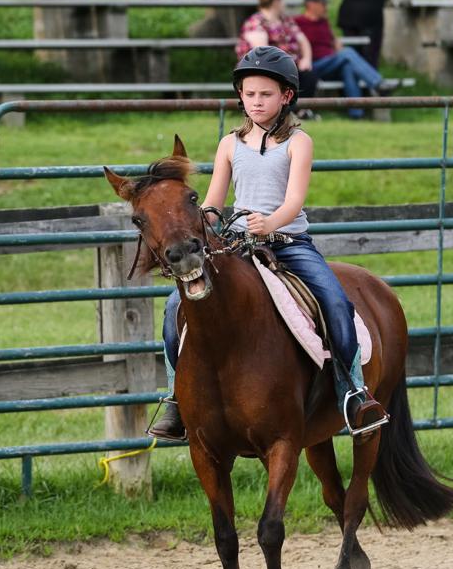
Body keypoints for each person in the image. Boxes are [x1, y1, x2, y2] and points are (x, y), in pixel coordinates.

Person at [147, 45, 388, 441]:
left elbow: (293, 200)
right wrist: (200, 225)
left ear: (286, 96)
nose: (256, 102)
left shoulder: (299, 141)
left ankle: (354, 393)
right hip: (236, 244)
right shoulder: (230, 144)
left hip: (289, 241)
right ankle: (176, 398)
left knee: (335, 301)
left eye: (266, 94)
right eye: (249, 93)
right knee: (176, 306)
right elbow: (212, 202)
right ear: (240, 95)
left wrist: (269, 223)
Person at [294, 0, 392, 119]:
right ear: (311, 4)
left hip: (330, 64)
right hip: (313, 65)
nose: (326, 7)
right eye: (323, 4)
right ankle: (378, 84)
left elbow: (333, 41)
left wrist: (335, 43)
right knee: (347, 53)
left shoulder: (324, 22)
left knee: (348, 66)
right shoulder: (298, 22)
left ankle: (356, 114)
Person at [237, 0, 318, 114]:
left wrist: (306, 59)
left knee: (309, 75)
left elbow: (303, 41)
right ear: (275, 1)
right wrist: (284, 66)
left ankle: (300, 112)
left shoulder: (285, 20)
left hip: (289, 66)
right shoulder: (256, 22)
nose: (284, 2)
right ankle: (283, 112)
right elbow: (263, 53)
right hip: (265, 68)